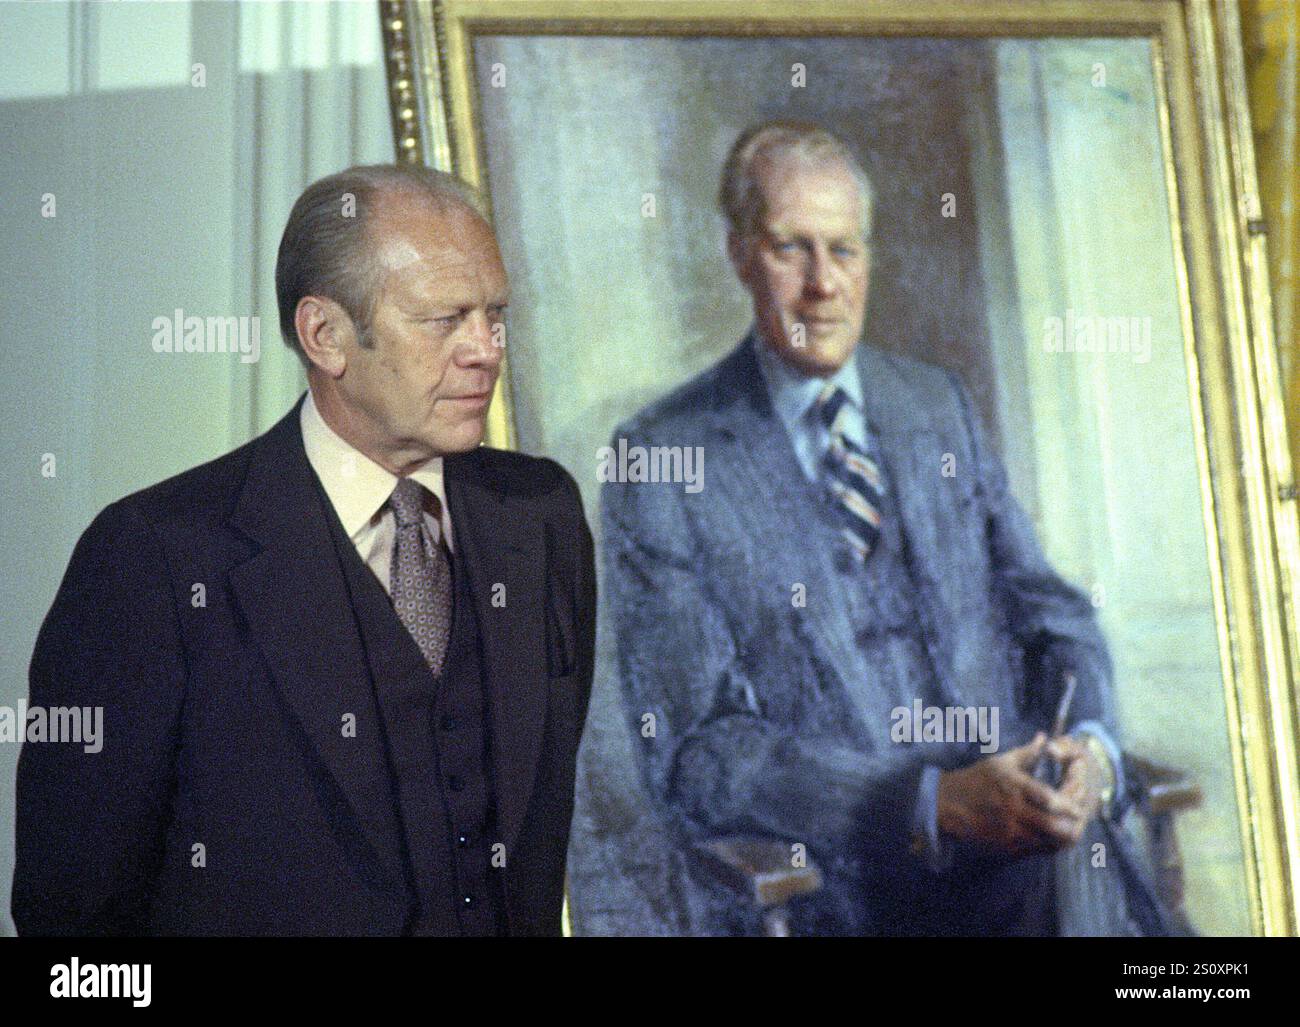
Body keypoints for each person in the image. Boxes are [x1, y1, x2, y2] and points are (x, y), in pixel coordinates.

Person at [13, 164, 595, 936]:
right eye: (443, 319)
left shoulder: (540, 514)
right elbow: (73, 928)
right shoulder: (157, 559)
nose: (485, 349)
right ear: (324, 336)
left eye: (495, 314)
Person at [602, 122, 1126, 935]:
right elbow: (697, 753)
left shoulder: (935, 406)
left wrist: (1092, 748)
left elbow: (1053, 612)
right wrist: (929, 801)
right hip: (846, 888)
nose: (824, 285)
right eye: (790, 249)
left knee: (1073, 861)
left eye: (845, 251)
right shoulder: (663, 458)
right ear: (739, 252)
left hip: (1027, 848)